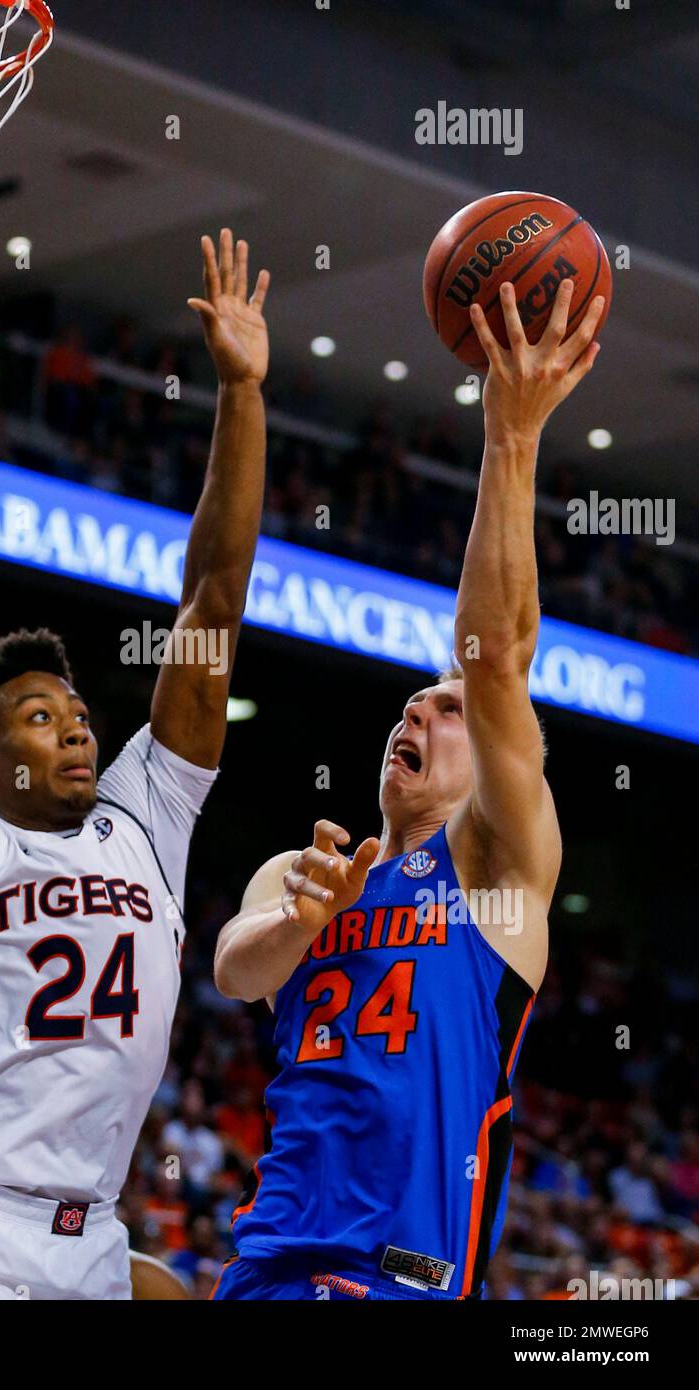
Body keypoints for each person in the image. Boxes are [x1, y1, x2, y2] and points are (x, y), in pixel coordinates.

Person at [0, 230, 270, 1299]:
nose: (76, 727)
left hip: (91, 1238)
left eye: (78, 710)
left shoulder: (145, 819)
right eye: (40, 716)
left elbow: (211, 601)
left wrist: (241, 392)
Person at [211, 279, 605, 1301]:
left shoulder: (494, 868)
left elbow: (492, 662)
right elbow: (235, 972)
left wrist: (509, 440)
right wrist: (303, 919)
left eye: (440, 713)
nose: (414, 714)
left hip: (399, 1276)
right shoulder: (306, 868)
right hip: (268, 1260)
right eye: (407, 706)